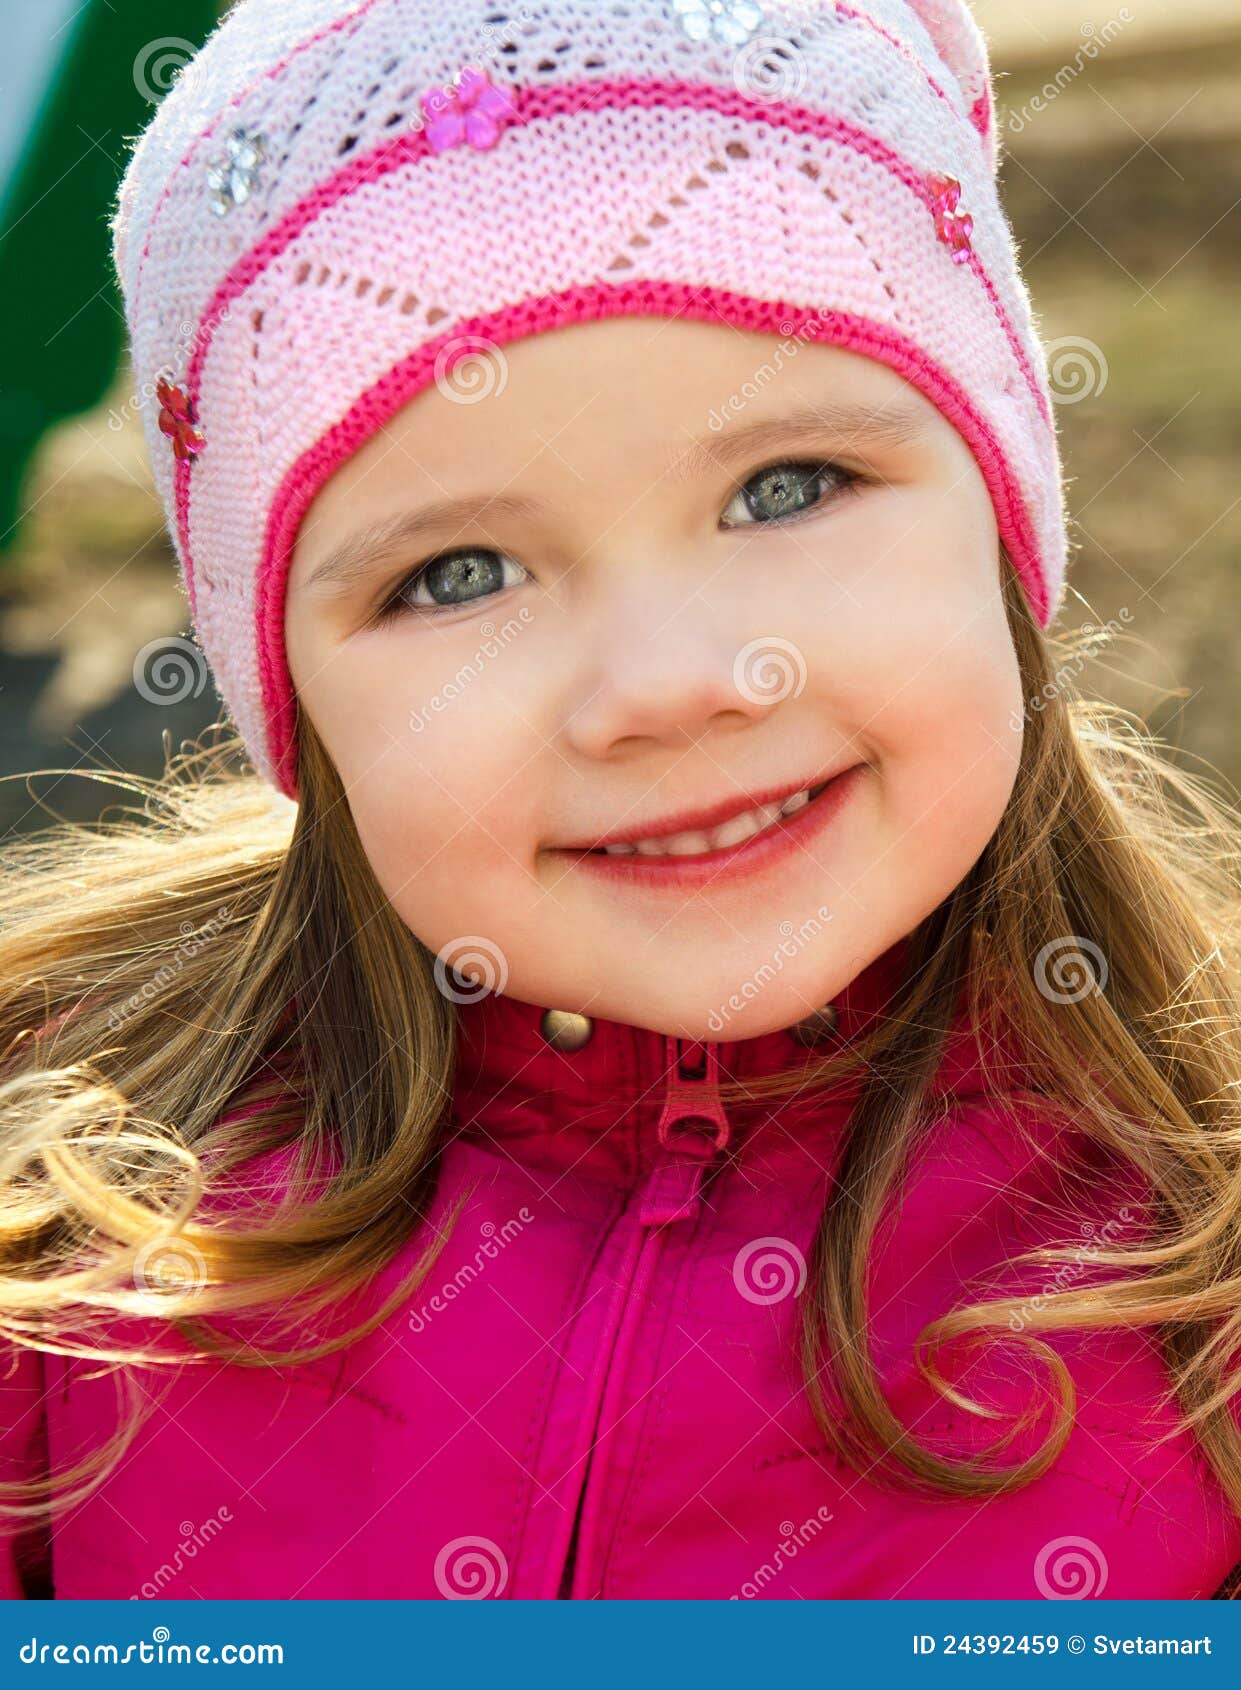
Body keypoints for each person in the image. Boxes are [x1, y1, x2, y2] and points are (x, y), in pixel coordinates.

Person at [2, 0, 1240, 1600]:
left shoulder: (1196, 1262)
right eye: (457, 573)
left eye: (783, 488)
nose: (667, 682)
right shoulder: (69, 1264)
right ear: (295, 702)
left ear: (1001, 516)